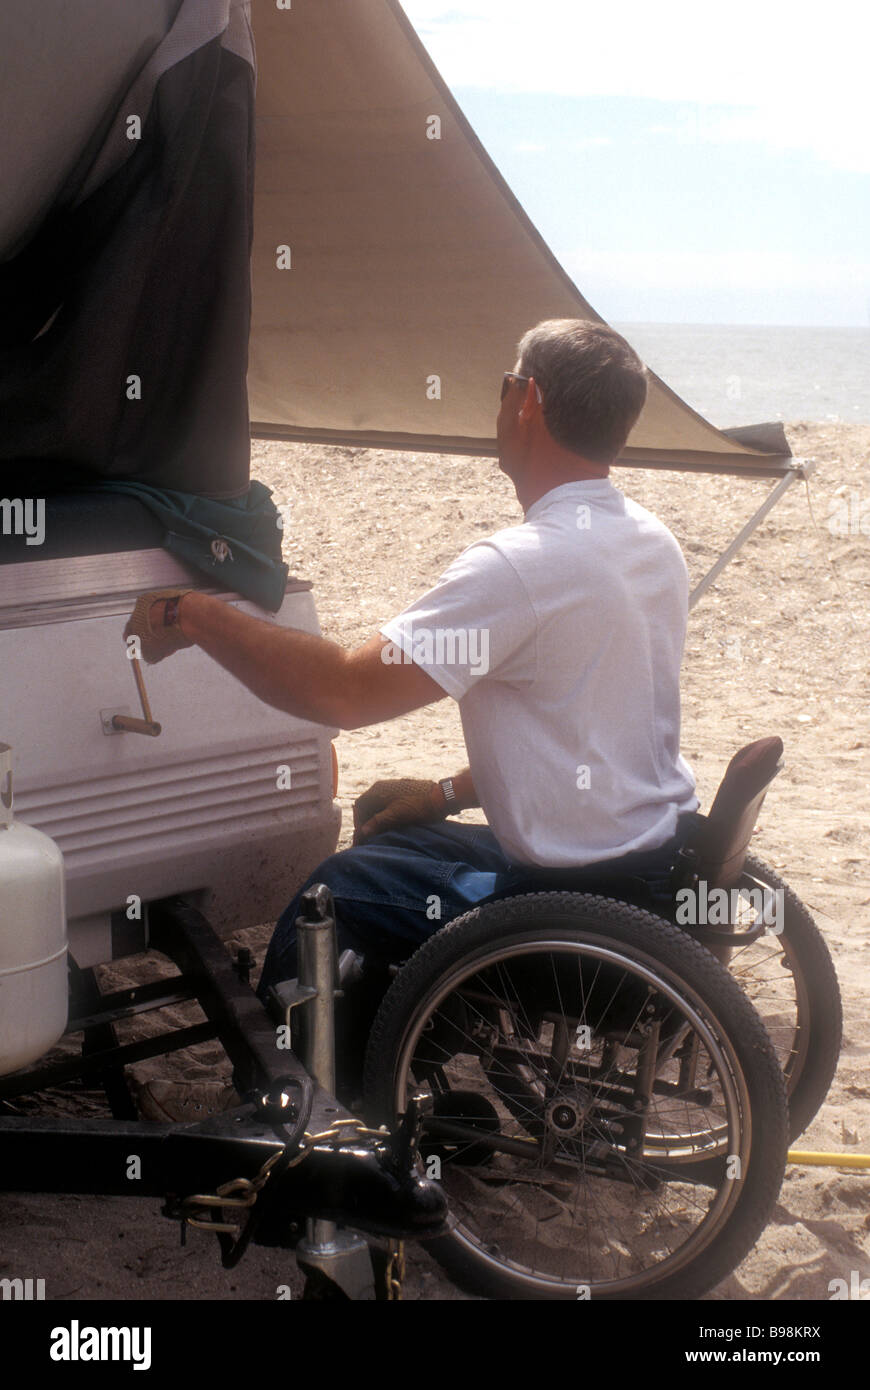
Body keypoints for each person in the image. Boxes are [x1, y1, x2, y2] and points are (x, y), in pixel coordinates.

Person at [127, 317, 698, 1040]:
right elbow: (586, 733)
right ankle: (392, 1047)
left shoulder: (524, 566)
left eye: (506, 386)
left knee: (333, 890)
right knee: (387, 824)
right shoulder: (652, 541)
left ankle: (289, 1088)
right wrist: (444, 794)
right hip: (648, 863)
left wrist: (193, 615)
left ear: (527, 400)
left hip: (571, 895)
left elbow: (344, 692)